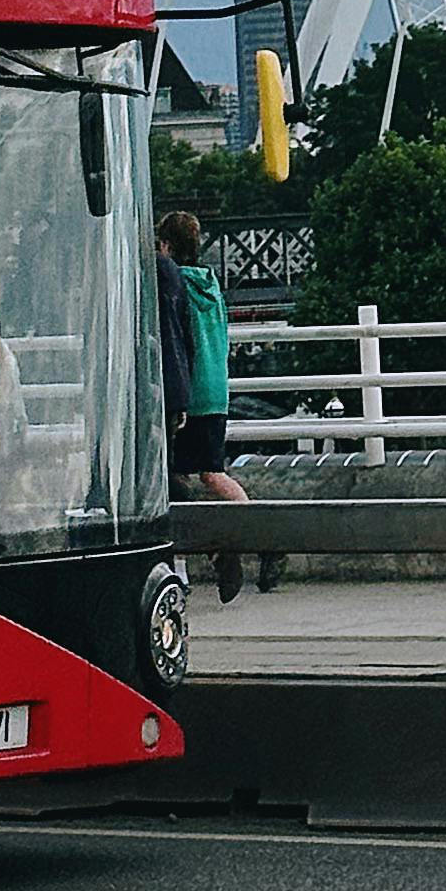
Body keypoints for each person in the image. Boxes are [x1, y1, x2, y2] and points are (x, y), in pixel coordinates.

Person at [157, 206, 253, 600]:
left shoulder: (176, 282)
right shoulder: (211, 285)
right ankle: (252, 534)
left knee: (176, 479)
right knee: (210, 471)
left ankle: (236, 541)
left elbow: (177, 339)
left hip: (191, 392)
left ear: (166, 244)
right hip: (217, 389)